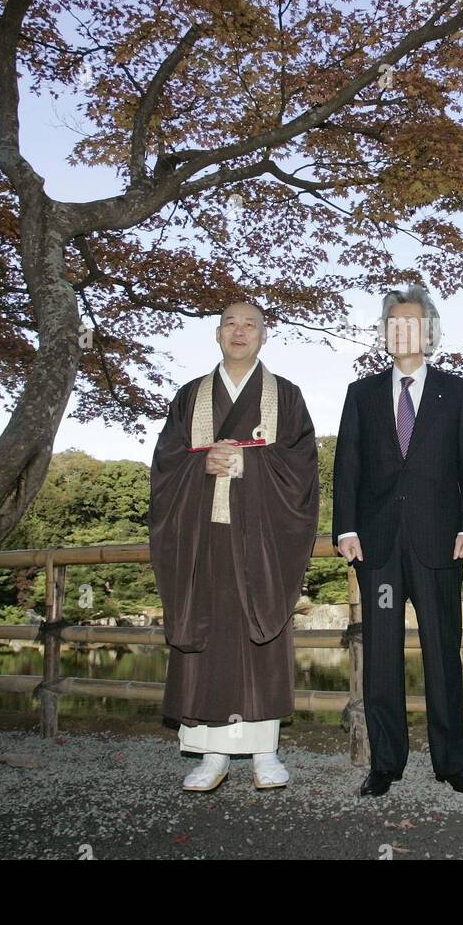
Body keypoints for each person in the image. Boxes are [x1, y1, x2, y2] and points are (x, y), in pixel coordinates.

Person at [148, 301, 319, 793]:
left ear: (265, 336)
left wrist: (250, 466)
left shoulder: (285, 396)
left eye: (251, 325)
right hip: (202, 541)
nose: (240, 332)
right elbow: (164, 468)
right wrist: (199, 467)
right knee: (207, 638)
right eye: (230, 323)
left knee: (257, 636)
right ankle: (211, 753)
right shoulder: (189, 398)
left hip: (261, 539)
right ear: (216, 333)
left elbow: (303, 467)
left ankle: (265, 752)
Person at [333, 286, 463, 795]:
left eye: (412, 322)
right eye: (393, 322)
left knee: (444, 652)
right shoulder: (361, 393)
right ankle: (386, 764)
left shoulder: (459, 392)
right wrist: (345, 527)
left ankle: (451, 763)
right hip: (376, 545)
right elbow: (347, 465)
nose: (402, 330)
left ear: (429, 331)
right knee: (381, 656)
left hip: (441, 543)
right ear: (384, 333)